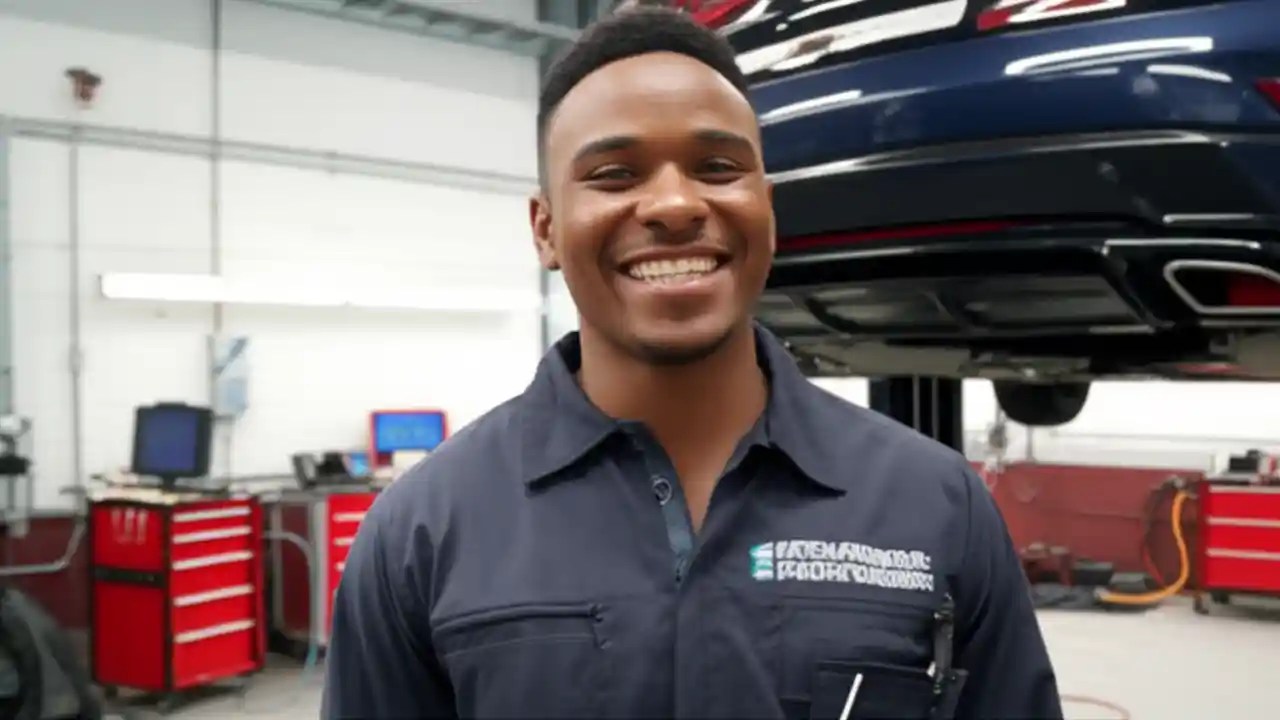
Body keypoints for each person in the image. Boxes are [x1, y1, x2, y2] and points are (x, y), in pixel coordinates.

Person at [321, 6, 1063, 719]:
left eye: (715, 166)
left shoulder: (937, 507)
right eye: (614, 174)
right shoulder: (421, 534)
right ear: (545, 228)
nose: (674, 204)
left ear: (767, 209)